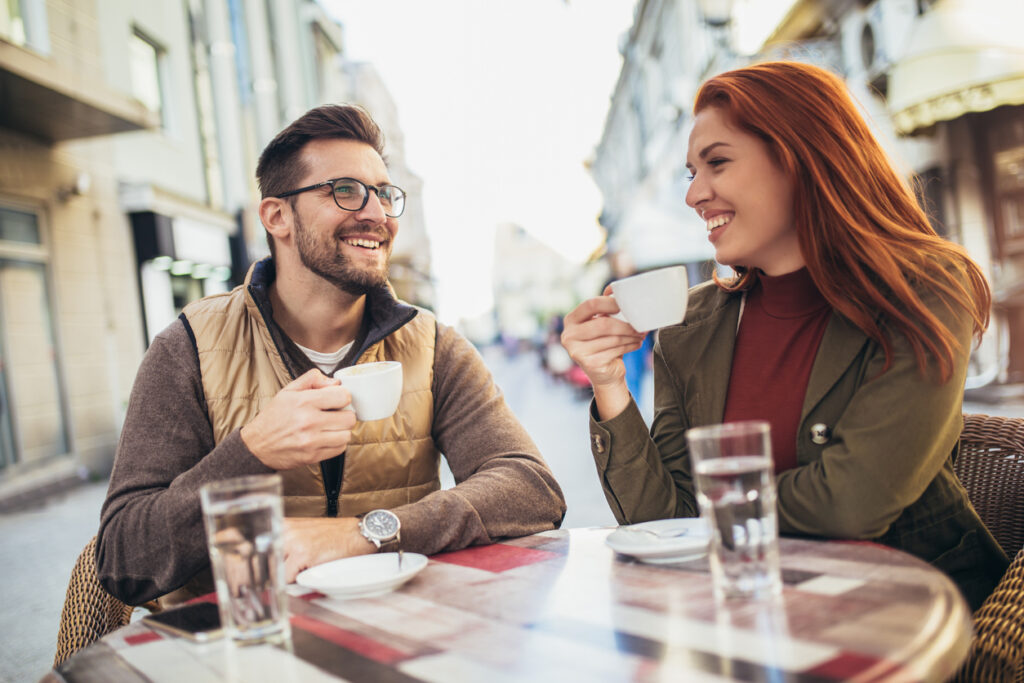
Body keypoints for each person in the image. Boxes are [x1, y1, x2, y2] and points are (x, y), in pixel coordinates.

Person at [560, 61, 1008, 610]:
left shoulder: (920, 289)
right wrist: (608, 384)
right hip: (751, 618)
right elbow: (665, 525)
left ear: (802, 159)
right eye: (690, 173)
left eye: (717, 163)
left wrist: (715, 512)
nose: (694, 195)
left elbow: (853, 503)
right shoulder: (691, 327)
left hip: (914, 617)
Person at [97, 104, 566, 606]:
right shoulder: (188, 347)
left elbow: (531, 488)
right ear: (277, 216)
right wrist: (252, 451)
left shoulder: (432, 345)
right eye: (345, 190)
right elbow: (125, 560)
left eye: (384, 194)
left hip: (405, 636)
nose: (377, 214)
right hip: (247, 650)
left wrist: (369, 532)